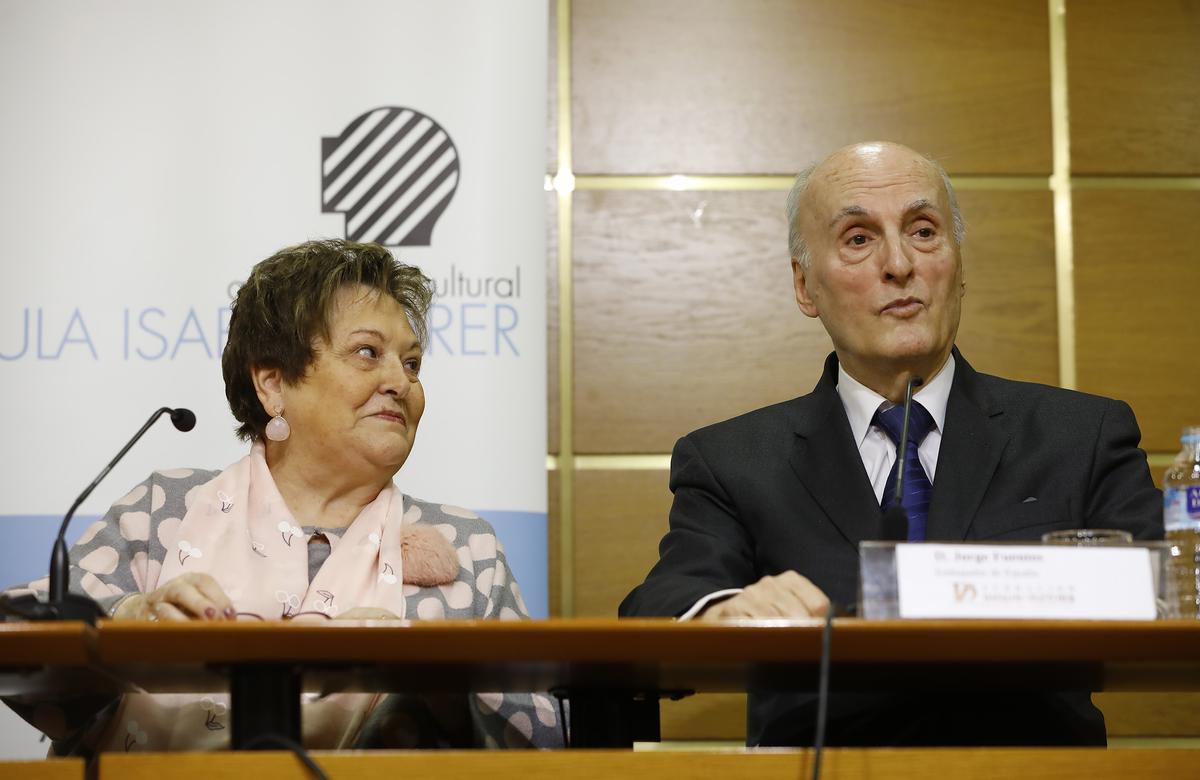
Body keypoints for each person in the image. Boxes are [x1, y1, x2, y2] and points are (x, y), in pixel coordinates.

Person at [619, 142, 1163, 746]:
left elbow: (1170, 595)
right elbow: (663, 601)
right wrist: (725, 613)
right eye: (858, 238)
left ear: (959, 265)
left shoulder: (1080, 436)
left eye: (924, 231)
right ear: (805, 287)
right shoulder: (733, 461)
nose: (899, 264)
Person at [4, 239, 561, 754]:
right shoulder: (165, 510)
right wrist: (128, 624)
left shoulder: (469, 548)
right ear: (273, 384)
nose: (402, 381)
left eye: (412, 362)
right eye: (368, 353)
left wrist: (432, 690)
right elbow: (23, 657)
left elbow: (539, 744)